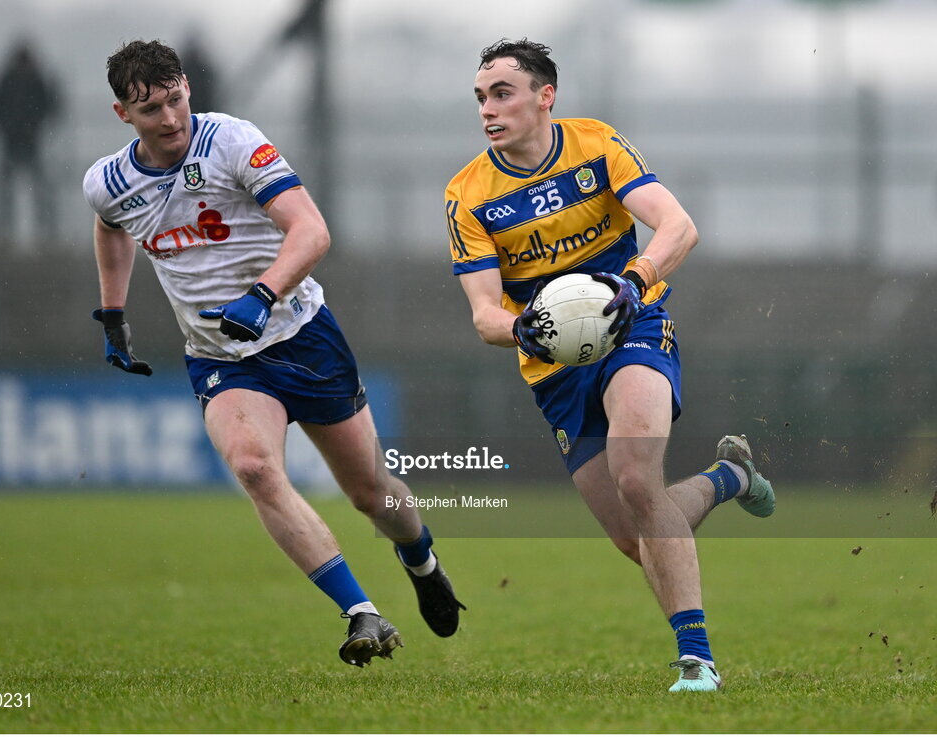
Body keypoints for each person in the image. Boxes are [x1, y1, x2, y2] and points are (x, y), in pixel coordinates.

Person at [83, 39, 464, 667]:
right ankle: (361, 612)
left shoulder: (231, 141)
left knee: (370, 494)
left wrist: (262, 295)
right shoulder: (110, 183)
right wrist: (114, 312)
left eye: (176, 99)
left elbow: (311, 229)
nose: (171, 119)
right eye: (151, 109)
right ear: (123, 114)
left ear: (187, 89)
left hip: (302, 335)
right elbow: (109, 226)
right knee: (256, 469)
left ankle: (421, 560)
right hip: (220, 359)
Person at [445, 39, 774, 692]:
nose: (488, 107)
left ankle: (697, 659)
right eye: (481, 96)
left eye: (503, 92)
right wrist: (523, 329)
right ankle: (729, 476)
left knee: (634, 474)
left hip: (633, 324)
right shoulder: (467, 195)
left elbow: (677, 225)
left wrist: (634, 278)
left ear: (546, 96)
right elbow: (484, 313)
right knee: (633, 532)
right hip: (554, 370)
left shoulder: (596, 146)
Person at [0, 41, 60, 246]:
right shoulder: (33, 79)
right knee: (34, 188)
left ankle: (11, 231)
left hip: (19, 140)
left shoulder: (9, 80)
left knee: (16, 189)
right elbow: (49, 106)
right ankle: (42, 231)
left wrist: (8, 128)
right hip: (25, 140)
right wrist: (32, 126)